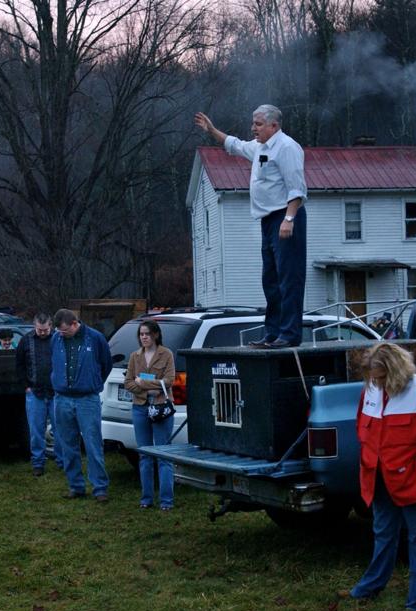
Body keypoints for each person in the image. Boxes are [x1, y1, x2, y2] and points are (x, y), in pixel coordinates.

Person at [343, 342, 416, 611]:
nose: (375, 382)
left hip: (413, 475)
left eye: (380, 377)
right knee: (383, 532)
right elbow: (362, 423)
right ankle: (370, 586)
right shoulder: (370, 386)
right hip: (379, 476)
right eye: (372, 376)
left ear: (393, 371)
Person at [195, 104, 308, 348]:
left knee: (289, 278)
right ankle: (273, 333)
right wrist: (212, 130)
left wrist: (289, 219)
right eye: (253, 123)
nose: (253, 128)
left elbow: (297, 188)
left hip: (286, 217)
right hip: (268, 221)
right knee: (271, 279)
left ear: (273, 125)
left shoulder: (287, 147)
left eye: (258, 124)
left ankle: (289, 335)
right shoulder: (259, 147)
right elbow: (234, 144)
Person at [50, 309, 112, 502]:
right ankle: (75, 486)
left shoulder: (95, 338)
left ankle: (100, 487)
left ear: (75, 324)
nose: (62, 334)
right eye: (59, 331)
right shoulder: (56, 339)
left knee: (93, 444)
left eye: (65, 330)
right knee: (67, 444)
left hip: (87, 399)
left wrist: (92, 383)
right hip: (62, 398)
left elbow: (106, 364)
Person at [124, 319, 176, 511]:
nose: (144, 337)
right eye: (141, 334)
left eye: (147, 333)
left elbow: (169, 380)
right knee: (144, 454)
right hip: (140, 408)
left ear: (155, 334)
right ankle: (146, 499)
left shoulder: (166, 354)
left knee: (163, 455)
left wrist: (143, 383)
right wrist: (148, 390)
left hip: (161, 408)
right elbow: (128, 383)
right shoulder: (134, 356)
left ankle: (166, 501)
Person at [16, 313, 63, 476]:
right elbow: (19, 364)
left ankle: (62, 461)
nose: (42, 332)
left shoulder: (58, 339)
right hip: (34, 392)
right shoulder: (25, 340)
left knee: (60, 429)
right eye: (39, 330)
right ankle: (38, 462)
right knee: (36, 430)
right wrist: (26, 386)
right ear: (34, 326)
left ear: (51, 326)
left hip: (56, 392)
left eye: (45, 330)